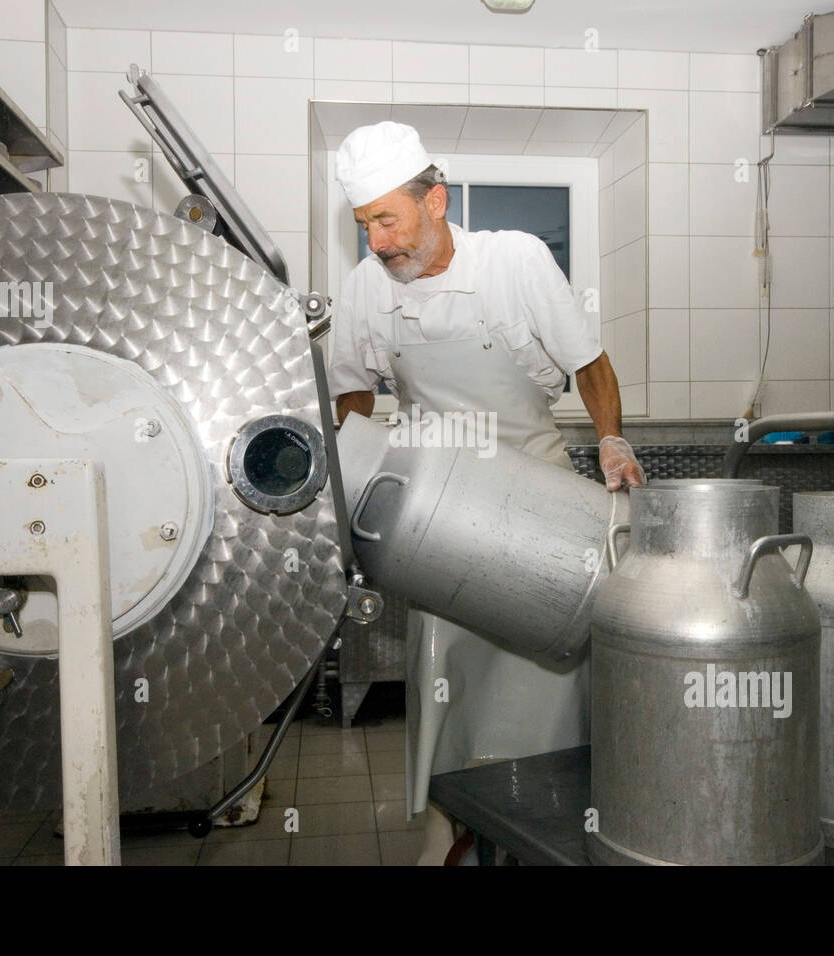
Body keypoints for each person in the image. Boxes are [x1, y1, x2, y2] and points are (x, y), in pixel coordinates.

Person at [328, 121, 645, 864]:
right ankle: (455, 829)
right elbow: (350, 396)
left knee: (555, 670)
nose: (376, 241)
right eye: (364, 224)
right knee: (448, 673)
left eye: (386, 219)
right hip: (439, 506)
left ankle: (554, 825)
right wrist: (353, 489)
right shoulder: (365, 287)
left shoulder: (516, 261)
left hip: (540, 487)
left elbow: (590, 363)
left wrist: (611, 439)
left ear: (434, 201)